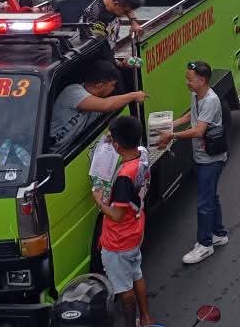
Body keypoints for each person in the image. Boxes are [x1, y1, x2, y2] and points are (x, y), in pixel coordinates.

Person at [158, 61, 229, 265]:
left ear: (202, 80)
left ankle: (205, 245)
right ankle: (218, 234)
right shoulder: (197, 95)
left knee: (204, 203)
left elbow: (198, 131)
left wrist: (171, 135)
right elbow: (192, 114)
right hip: (201, 156)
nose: (187, 82)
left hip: (211, 159)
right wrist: (174, 123)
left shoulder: (211, 100)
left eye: (190, 79)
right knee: (211, 197)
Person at [94, 115, 155, 327]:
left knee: (124, 289)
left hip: (119, 241)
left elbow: (117, 215)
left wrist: (99, 203)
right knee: (136, 273)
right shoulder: (143, 154)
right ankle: (146, 318)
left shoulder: (123, 178)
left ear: (117, 146)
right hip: (136, 231)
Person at [49, 60, 147, 151]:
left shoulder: (97, 100)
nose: (114, 89)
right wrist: (134, 95)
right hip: (52, 150)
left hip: (70, 149)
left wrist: (124, 67)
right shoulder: (73, 92)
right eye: (112, 85)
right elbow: (106, 105)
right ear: (100, 85)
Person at [80, 0, 145, 50]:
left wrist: (133, 22)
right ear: (116, 4)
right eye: (125, 12)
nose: (126, 14)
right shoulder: (95, 20)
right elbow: (101, 50)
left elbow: (128, 8)